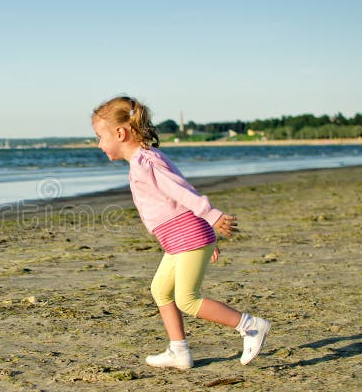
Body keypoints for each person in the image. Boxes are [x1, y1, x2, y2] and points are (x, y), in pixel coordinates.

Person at [91, 95, 270, 369]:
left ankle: (250, 326)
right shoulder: (144, 160)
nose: (99, 144)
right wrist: (205, 236)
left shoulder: (146, 162)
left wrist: (210, 216)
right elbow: (174, 203)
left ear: (120, 132)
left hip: (187, 237)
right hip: (181, 239)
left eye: (99, 137)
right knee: (160, 290)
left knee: (187, 299)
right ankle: (179, 351)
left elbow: (181, 191)